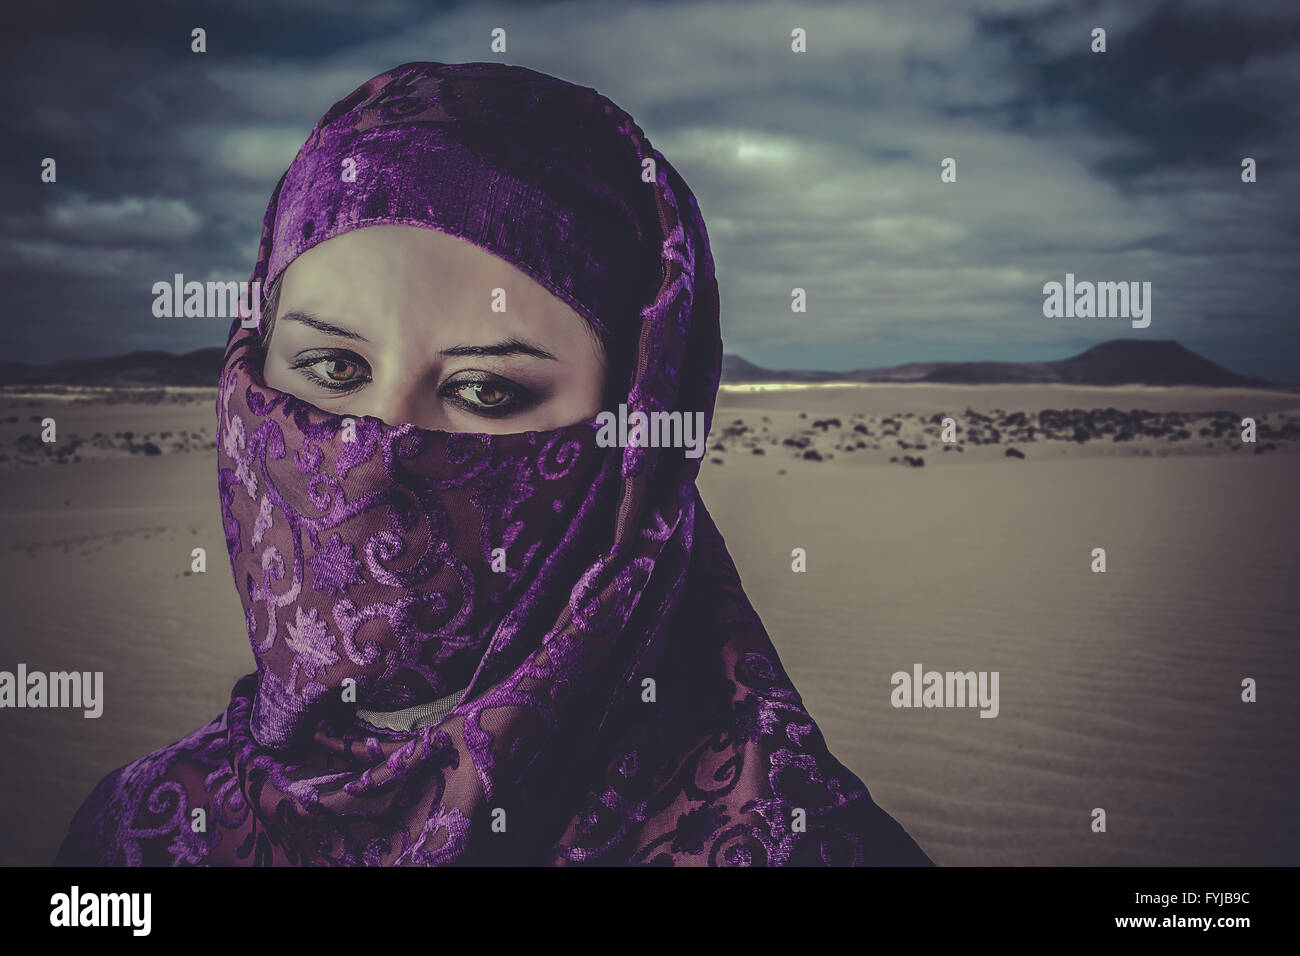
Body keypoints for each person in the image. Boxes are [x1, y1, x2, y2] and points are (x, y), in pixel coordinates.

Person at [55, 61, 932, 866]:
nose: (374, 452)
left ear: (636, 442)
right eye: (334, 370)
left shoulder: (795, 841)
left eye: (486, 391)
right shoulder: (138, 830)